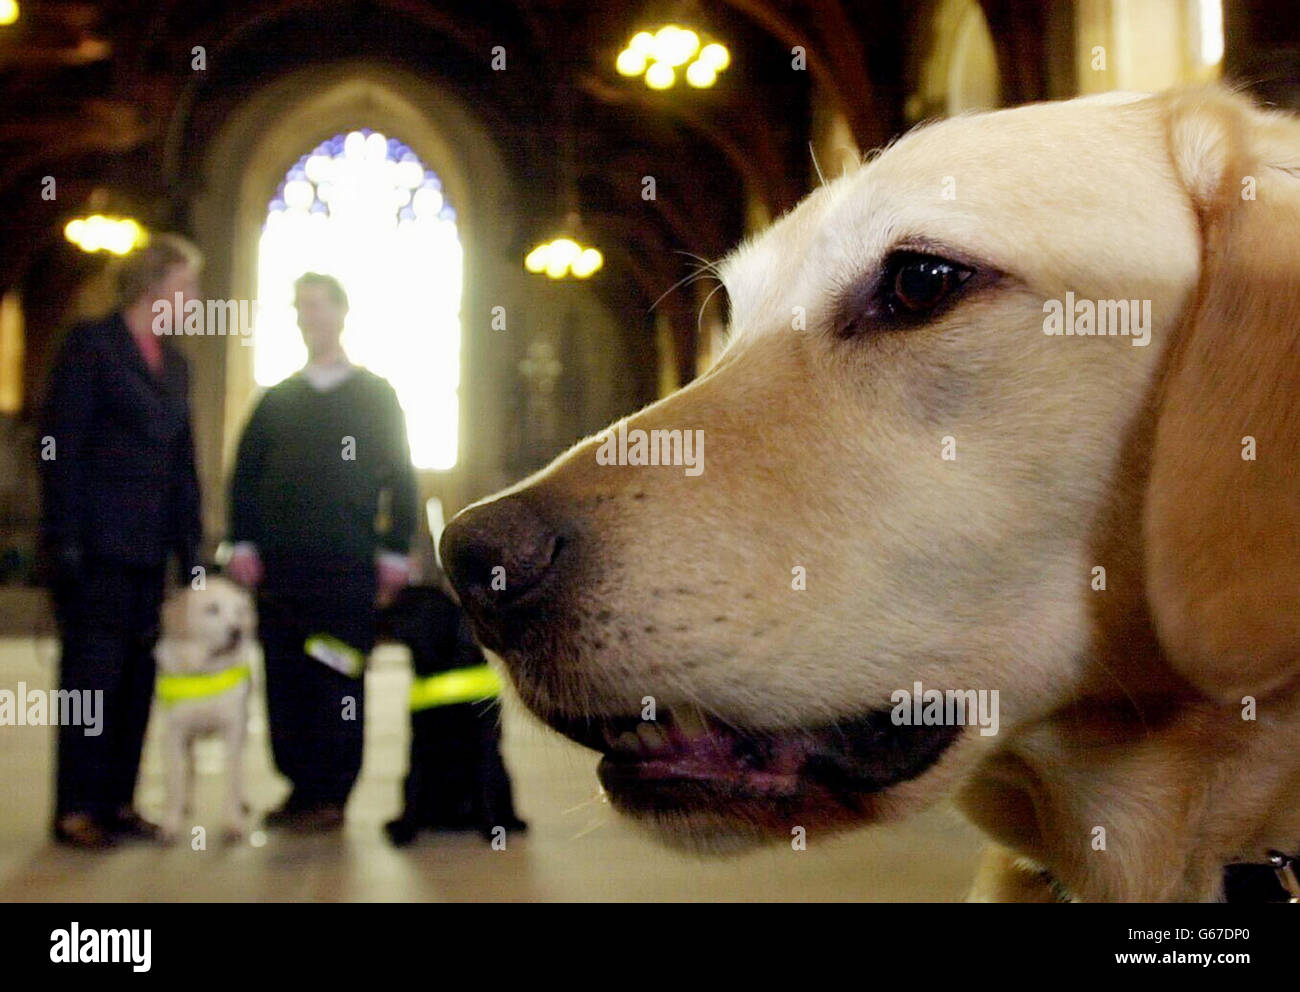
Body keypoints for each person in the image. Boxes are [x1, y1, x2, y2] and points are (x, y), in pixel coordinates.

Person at [226, 272, 416, 831]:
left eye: (317, 306)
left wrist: (395, 548)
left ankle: (333, 792)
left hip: (346, 565)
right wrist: (242, 540)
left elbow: (400, 475)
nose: (309, 317)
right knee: (285, 677)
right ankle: (299, 786)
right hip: (283, 568)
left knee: (336, 672)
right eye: (299, 308)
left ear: (341, 313)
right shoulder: (276, 400)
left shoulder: (376, 393)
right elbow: (245, 476)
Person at [40, 233, 204, 848]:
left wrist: (190, 556)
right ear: (153, 286)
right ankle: (76, 808)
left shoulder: (178, 365)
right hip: (96, 549)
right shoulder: (91, 345)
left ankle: (117, 802)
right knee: (92, 680)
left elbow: (182, 467)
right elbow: (61, 449)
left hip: (150, 554)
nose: (194, 299)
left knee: (137, 680)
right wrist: (65, 541)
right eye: (186, 286)